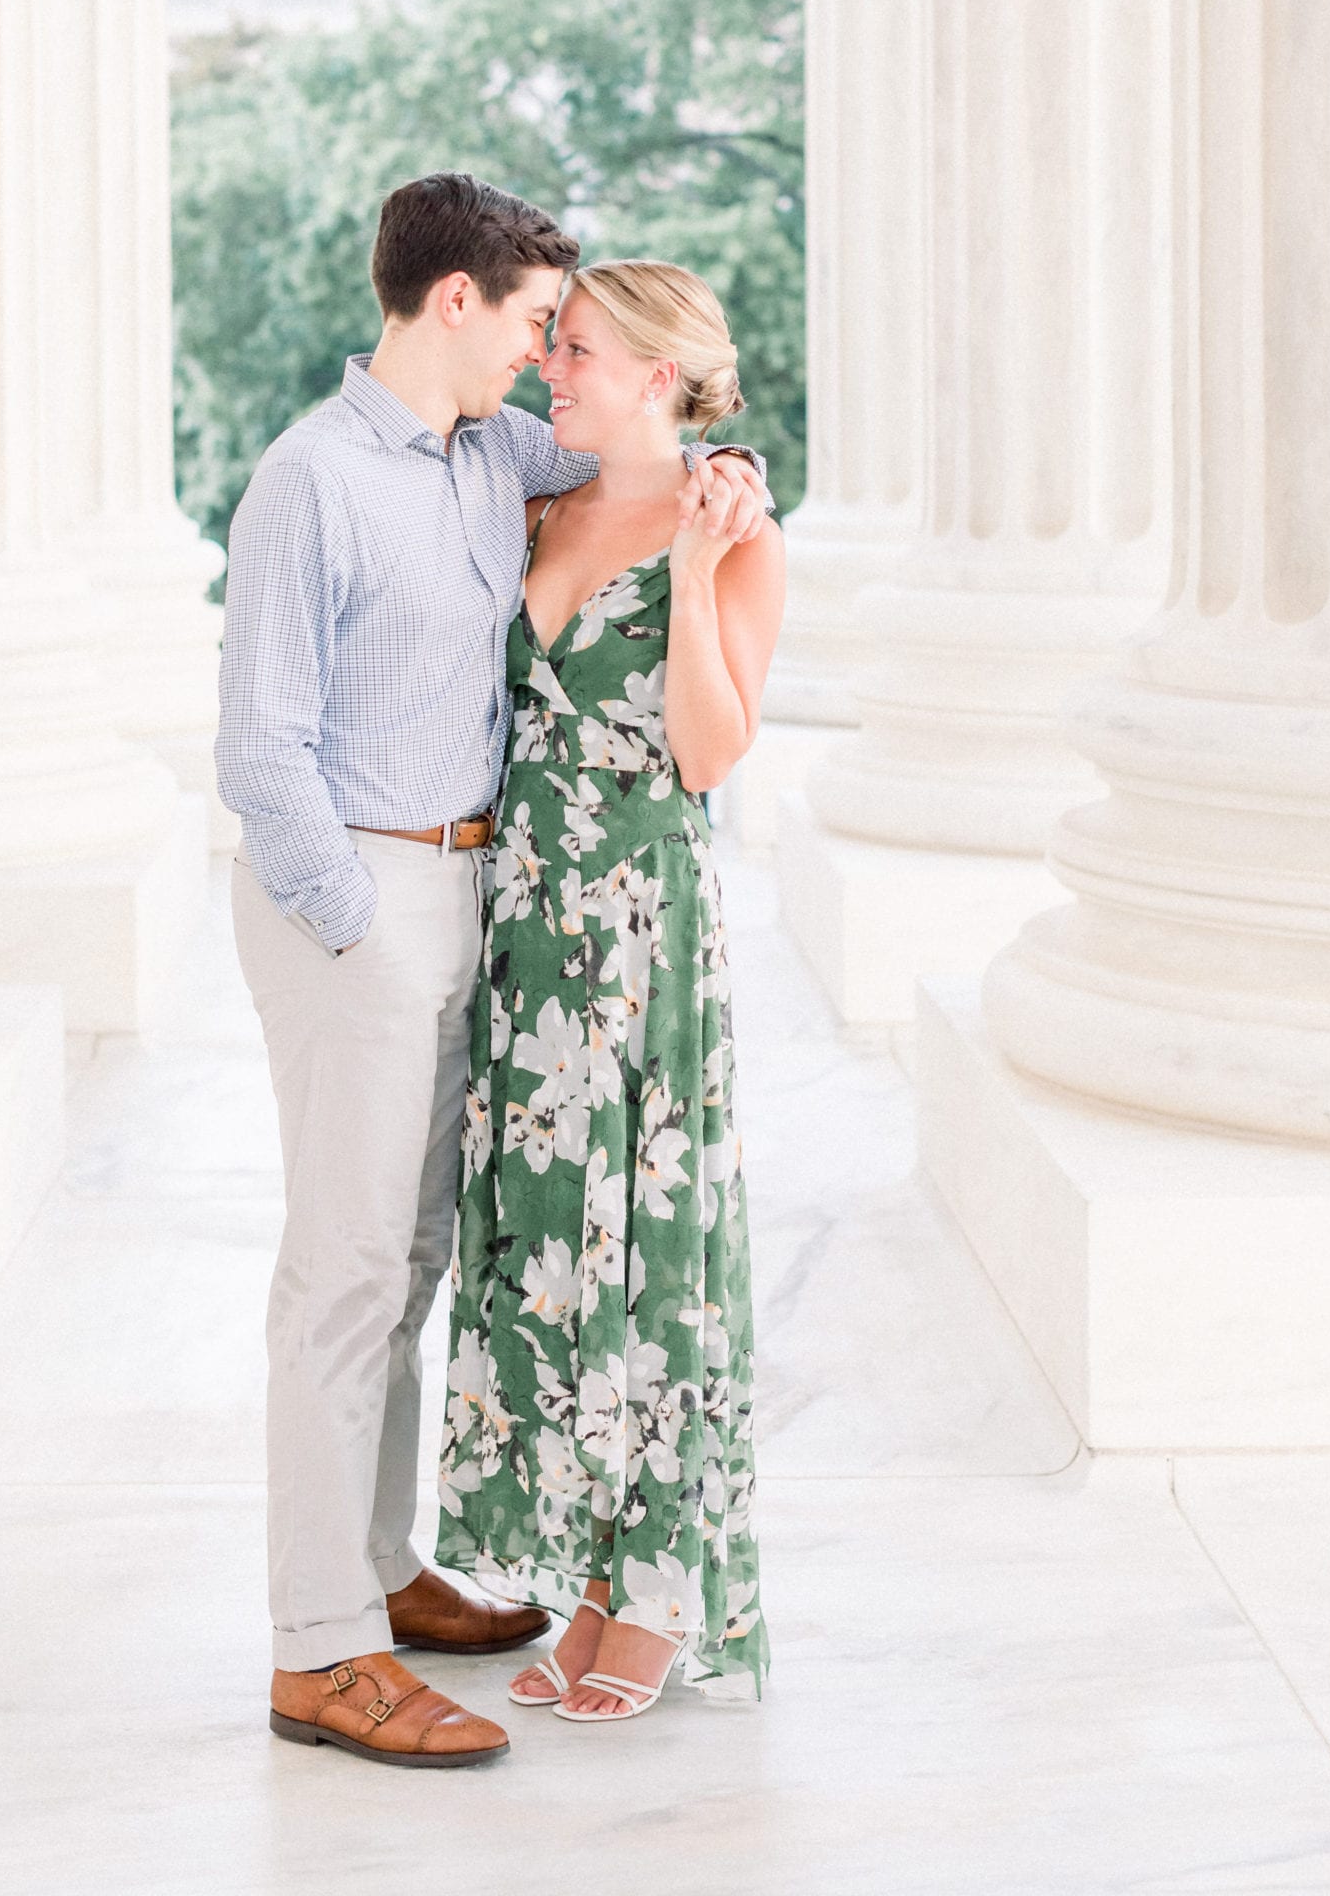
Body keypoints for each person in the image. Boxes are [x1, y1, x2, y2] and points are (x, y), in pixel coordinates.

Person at [216, 176, 768, 1770]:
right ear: (451, 302)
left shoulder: (491, 459)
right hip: (363, 895)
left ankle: (381, 1572)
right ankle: (319, 1653)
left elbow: (652, 461)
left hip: (483, 891)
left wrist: (724, 480)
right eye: (536, 324)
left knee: (407, 1262)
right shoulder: (309, 480)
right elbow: (260, 751)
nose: (548, 360)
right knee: (341, 1275)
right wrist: (356, 920)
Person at [437, 260, 784, 1724]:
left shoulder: (738, 533)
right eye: (552, 344)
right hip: (525, 923)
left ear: (657, 374)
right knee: (539, 1246)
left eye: (573, 351)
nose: (549, 369)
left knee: (647, 1248)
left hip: (647, 923)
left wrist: (697, 574)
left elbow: (709, 759)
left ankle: (654, 1597)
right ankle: (580, 1573)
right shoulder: (530, 501)